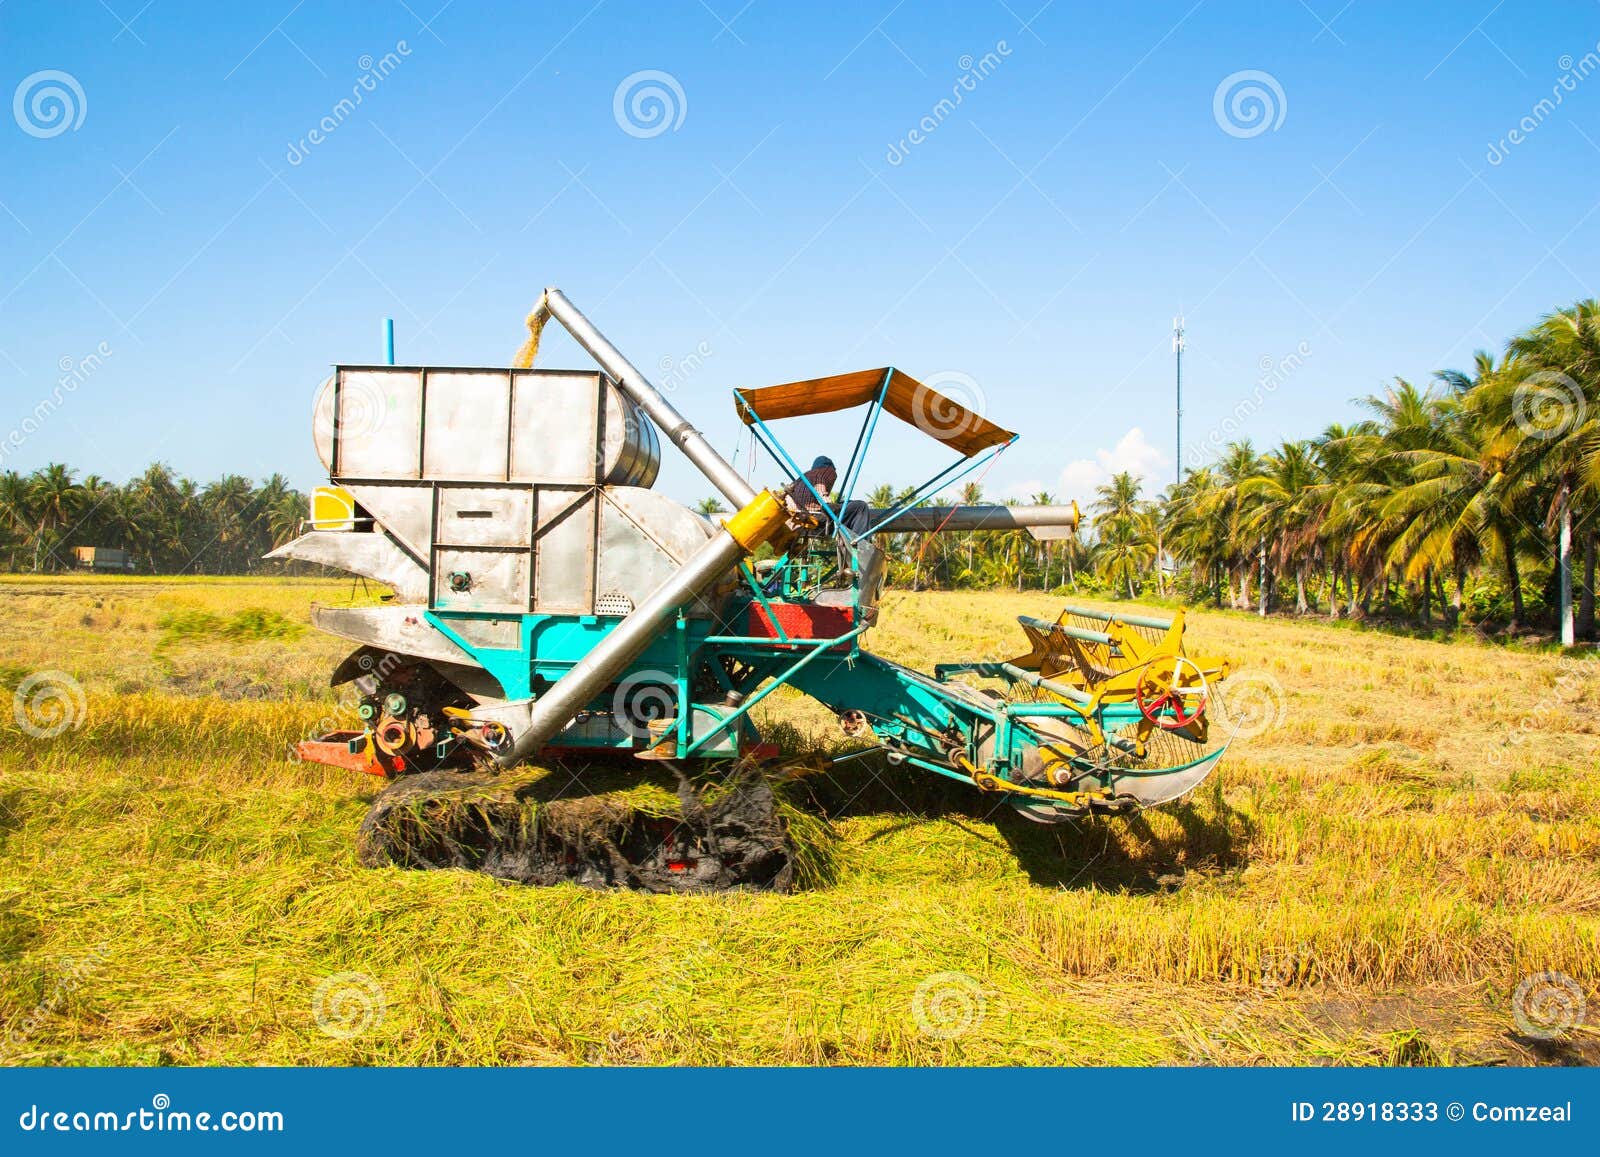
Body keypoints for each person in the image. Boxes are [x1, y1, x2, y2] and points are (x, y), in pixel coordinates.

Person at [785, 455, 871, 536]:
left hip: (794, 521)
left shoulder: (804, 476)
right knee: (860, 506)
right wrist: (829, 504)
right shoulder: (826, 471)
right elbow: (822, 495)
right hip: (814, 521)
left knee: (846, 504)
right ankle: (860, 544)